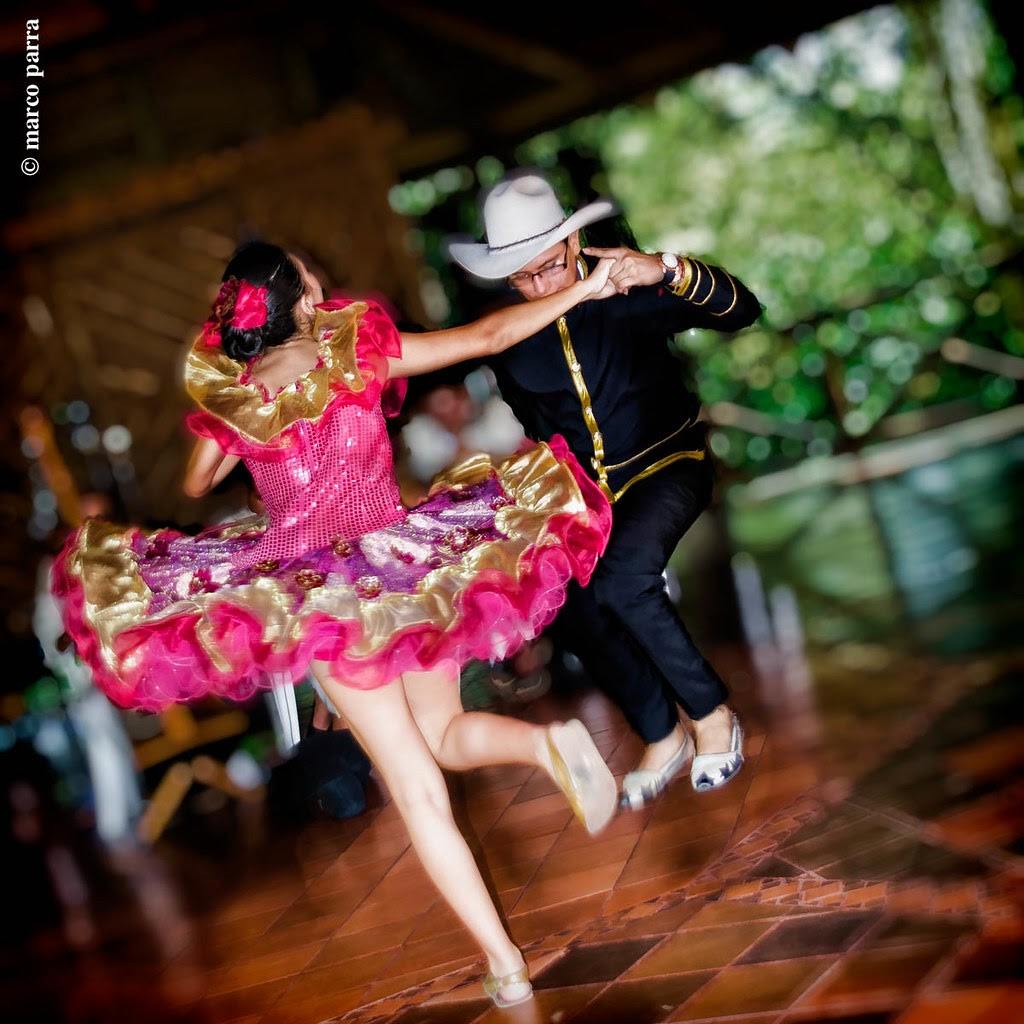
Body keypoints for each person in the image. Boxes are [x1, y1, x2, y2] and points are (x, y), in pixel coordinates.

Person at [52, 239, 620, 1008]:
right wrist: (578, 293)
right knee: (446, 735)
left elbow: (194, 482)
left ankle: (506, 964)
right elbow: (486, 338)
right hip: (406, 567)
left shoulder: (243, 398)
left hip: (318, 596)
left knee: (417, 788)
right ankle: (546, 744)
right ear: (302, 291)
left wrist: (231, 405)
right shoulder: (358, 352)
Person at [449, 170, 762, 809]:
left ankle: (711, 714)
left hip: (669, 463)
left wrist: (666, 268)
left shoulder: (629, 289)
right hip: (587, 495)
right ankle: (661, 732)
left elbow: (745, 310)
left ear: (574, 246)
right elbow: (540, 431)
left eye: (549, 270)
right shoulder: (510, 340)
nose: (539, 288)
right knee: (569, 599)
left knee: (623, 578)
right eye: (522, 279)